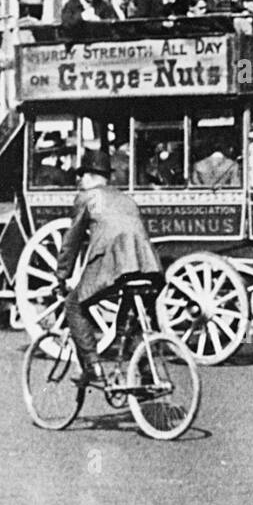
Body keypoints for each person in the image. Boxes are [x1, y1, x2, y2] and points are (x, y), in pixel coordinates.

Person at [54, 151, 163, 385]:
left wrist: (61, 276)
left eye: (81, 175)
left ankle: (93, 367)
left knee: (74, 305)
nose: (79, 181)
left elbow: (71, 241)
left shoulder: (87, 198)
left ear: (90, 176)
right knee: (130, 317)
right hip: (148, 267)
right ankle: (145, 372)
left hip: (114, 265)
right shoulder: (127, 199)